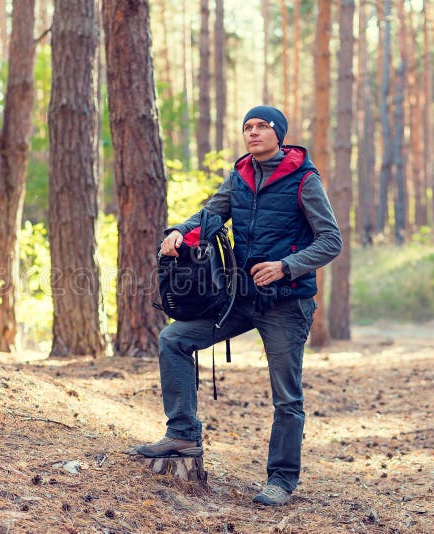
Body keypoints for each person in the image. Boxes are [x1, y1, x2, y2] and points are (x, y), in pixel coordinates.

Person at [135, 105, 342, 506]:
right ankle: (182, 434)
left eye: (262, 126)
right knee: (174, 339)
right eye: (247, 126)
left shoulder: (304, 179)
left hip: (287, 303)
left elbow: (331, 240)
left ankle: (280, 480)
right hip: (240, 299)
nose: (253, 132)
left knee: (286, 396)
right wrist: (180, 230)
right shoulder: (241, 175)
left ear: (278, 133)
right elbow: (211, 214)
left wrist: (286, 267)